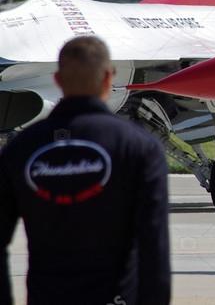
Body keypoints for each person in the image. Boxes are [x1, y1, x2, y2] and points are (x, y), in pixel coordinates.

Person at [0, 36, 171, 305]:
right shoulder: (139, 147)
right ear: (108, 78)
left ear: (57, 80)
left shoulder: (21, 149)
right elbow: (154, 244)